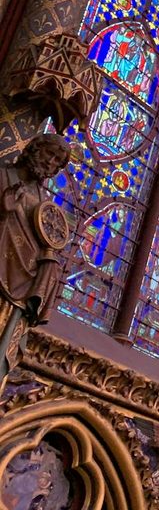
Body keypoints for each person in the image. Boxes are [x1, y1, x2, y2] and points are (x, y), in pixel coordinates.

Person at [0, 134, 72, 377]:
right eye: (49, 154)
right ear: (34, 148)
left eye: (57, 161)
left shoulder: (44, 202)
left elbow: (46, 244)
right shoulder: (2, 176)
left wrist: (49, 261)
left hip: (21, 289)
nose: (51, 163)